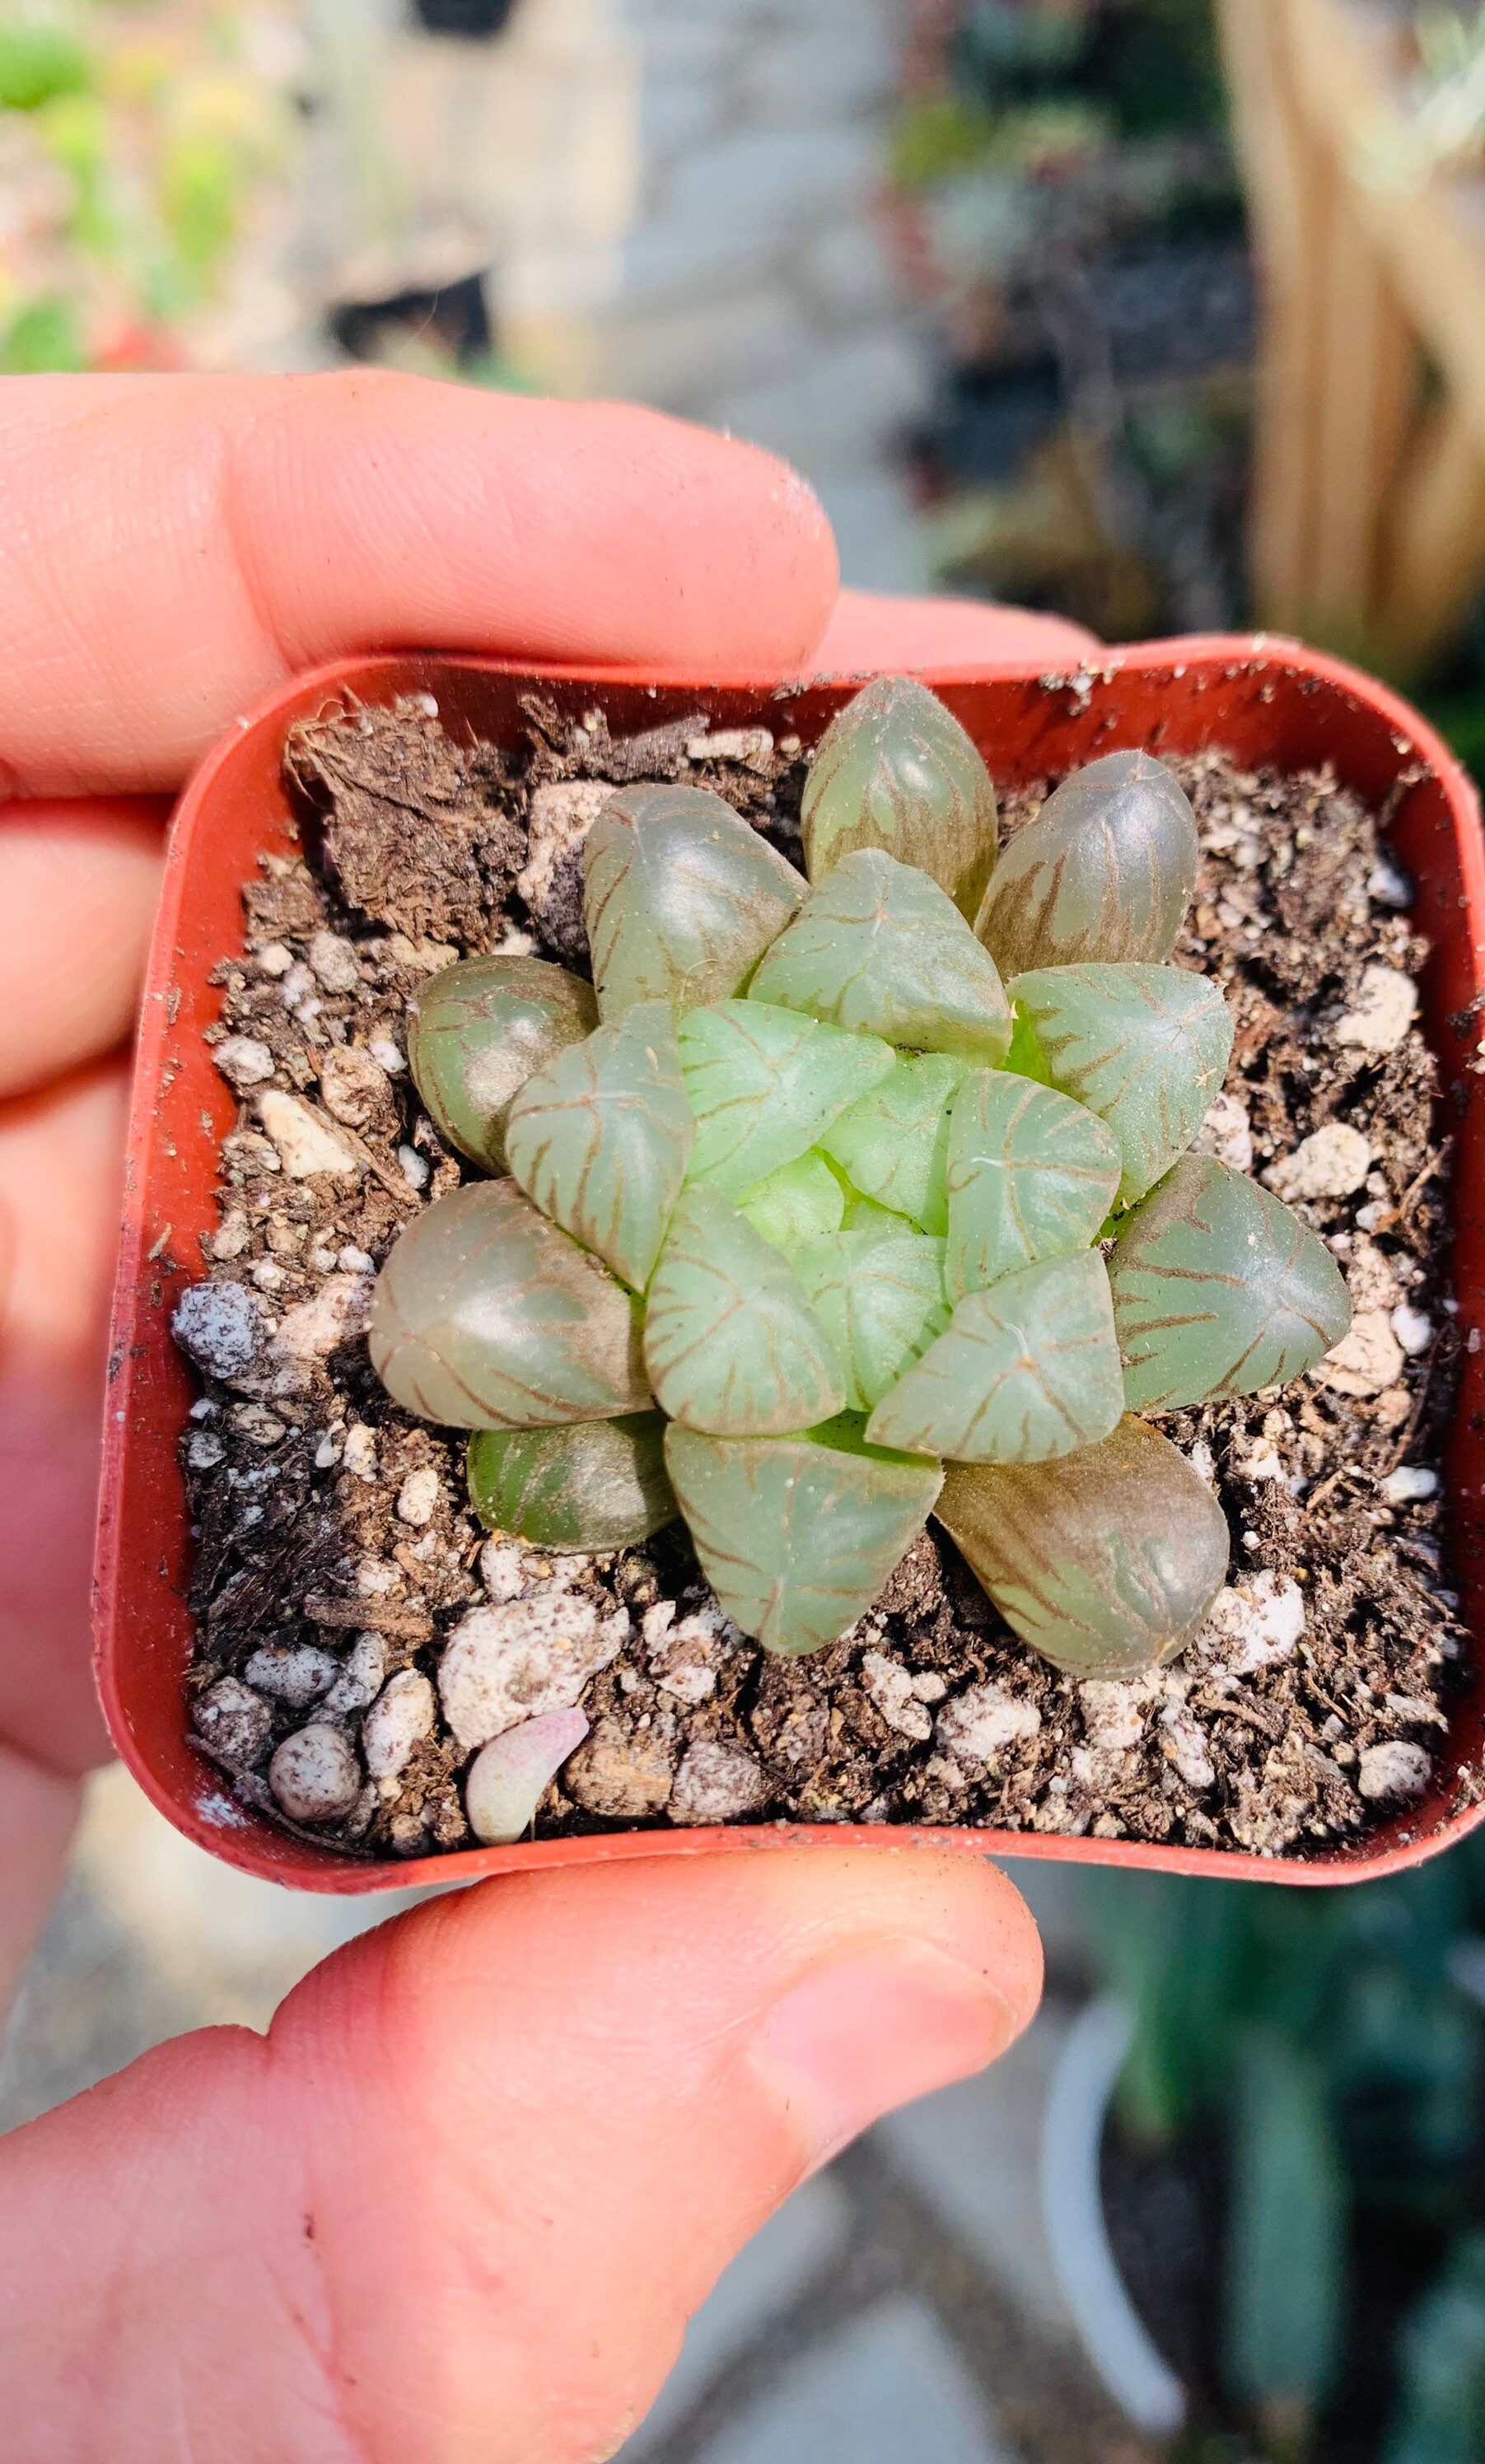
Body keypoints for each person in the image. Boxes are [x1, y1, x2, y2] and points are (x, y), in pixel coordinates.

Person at [0, 371, 1095, 2460]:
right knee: (511, 1257)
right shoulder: (623, 1118)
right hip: (641, 1273)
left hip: (861, 1292)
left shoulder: (1037, 1152)